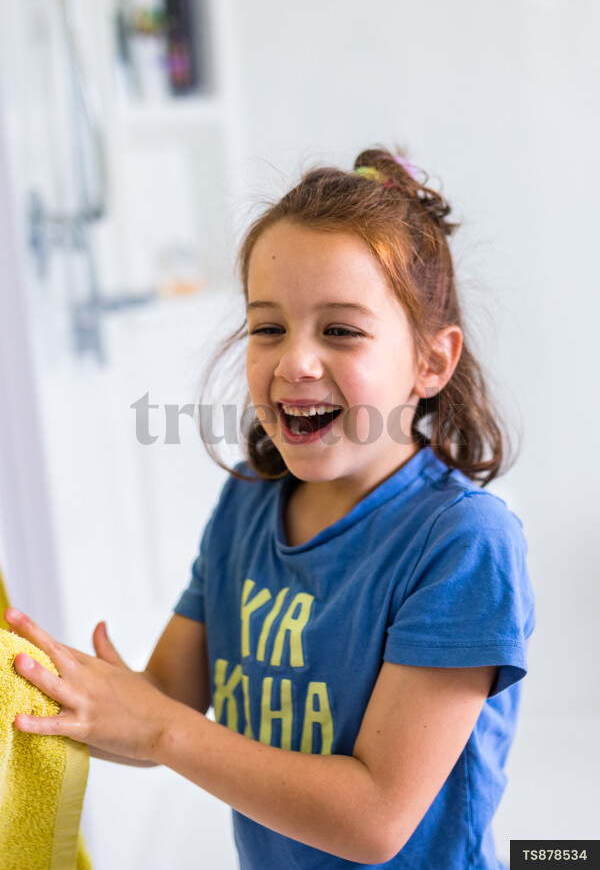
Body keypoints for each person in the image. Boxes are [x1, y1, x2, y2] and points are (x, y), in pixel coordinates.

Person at [6, 148, 535, 869]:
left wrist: (159, 728)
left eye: (341, 331)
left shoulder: (463, 540)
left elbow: (377, 819)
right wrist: (37, 686)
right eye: (269, 327)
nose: (295, 363)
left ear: (430, 363)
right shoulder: (248, 502)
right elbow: (165, 698)